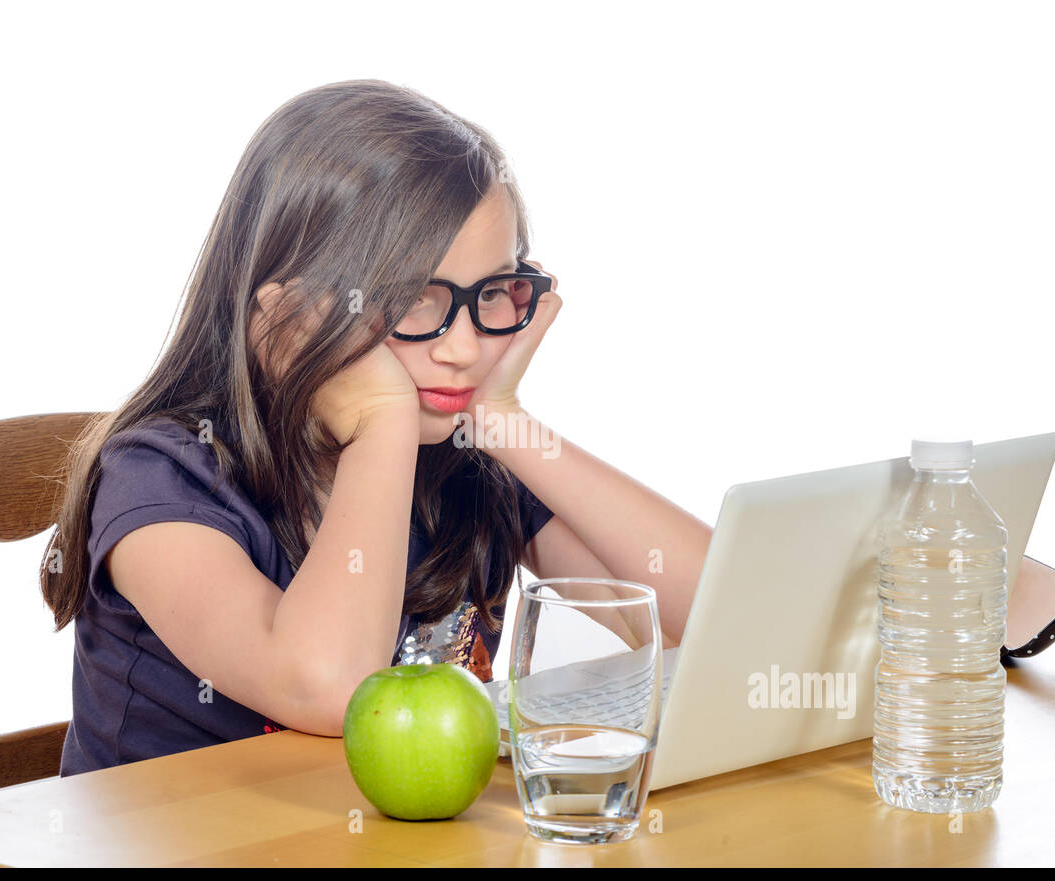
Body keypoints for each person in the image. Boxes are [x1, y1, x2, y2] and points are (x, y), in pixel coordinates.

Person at [41, 78, 711, 776]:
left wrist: (505, 422)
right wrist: (383, 423)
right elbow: (329, 687)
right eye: (414, 299)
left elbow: (728, 621)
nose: (463, 348)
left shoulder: (467, 460)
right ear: (286, 317)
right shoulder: (161, 480)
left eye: (491, 293)